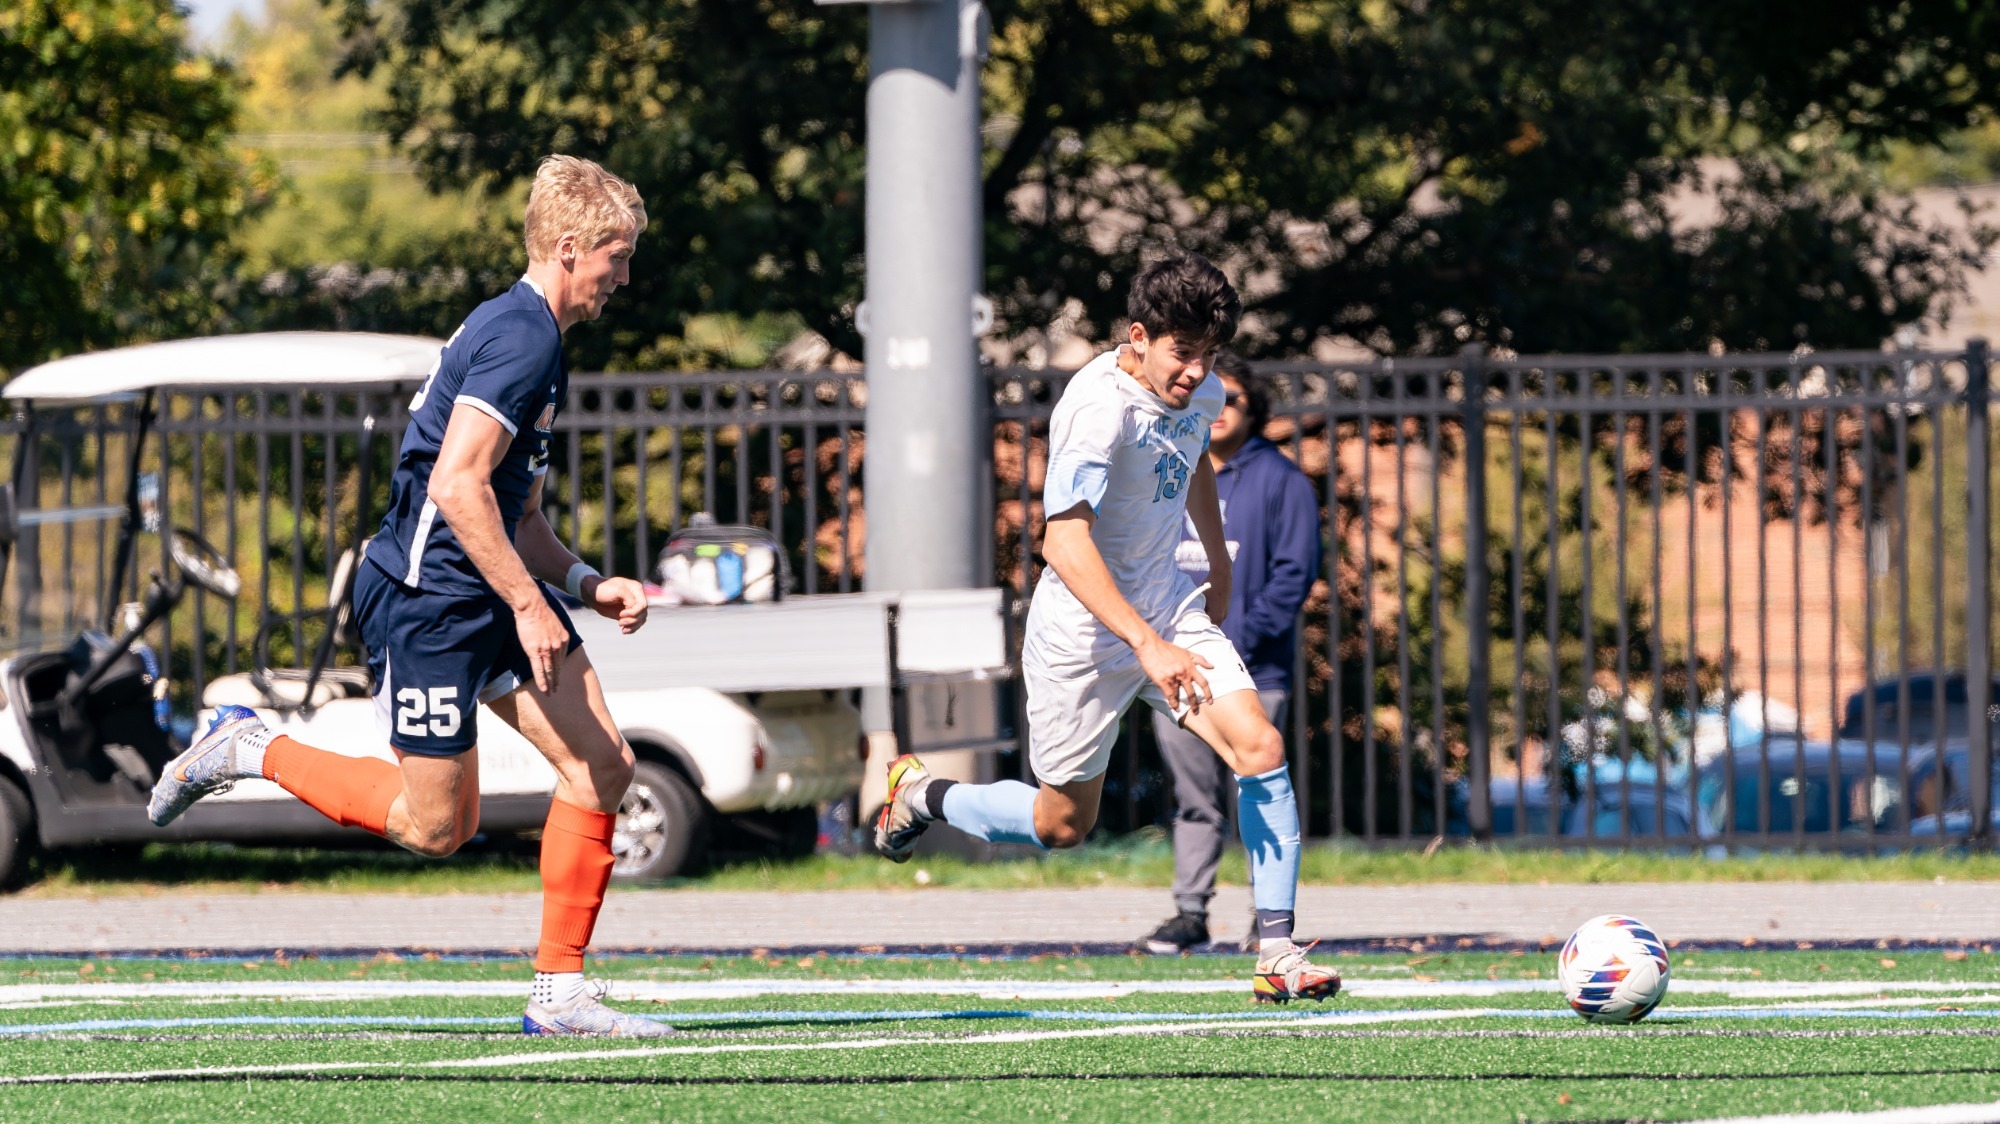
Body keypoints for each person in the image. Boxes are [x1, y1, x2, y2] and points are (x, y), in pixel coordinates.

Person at [148, 155, 668, 1037]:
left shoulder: (533, 340)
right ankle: (249, 748)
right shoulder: (522, 337)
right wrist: (534, 605)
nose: (624, 275)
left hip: (487, 590)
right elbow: (456, 490)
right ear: (570, 248)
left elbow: (517, 509)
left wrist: (580, 582)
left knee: (602, 765)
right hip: (429, 602)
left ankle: (562, 991)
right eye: (616, 256)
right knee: (438, 828)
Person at [874, 252, 1339, 1004]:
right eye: (1182, 354)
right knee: (1062, 825)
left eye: (1209, 356)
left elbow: (1192, 464)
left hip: (1166, 603)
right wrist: (1145, 646)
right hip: (1082, 632)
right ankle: (923, 796)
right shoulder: (1096, 408)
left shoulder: (1203, 388)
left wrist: (1215, 561)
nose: (1196, 374)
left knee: (1259, 745)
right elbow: (1063, 542)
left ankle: (1277, 952)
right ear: (1138, 337)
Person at [1136, 352, 1320, 955]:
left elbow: (1293, 576)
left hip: (1253, 672)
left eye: (1233, 399)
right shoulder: (1168, 469)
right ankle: (1190, 912)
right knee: (1194, 802)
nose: (1220, 411)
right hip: (1177, 673)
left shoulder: (1283, 480)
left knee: (1259, 786)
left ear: (1251, 408)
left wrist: (1233, 645)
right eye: (1215, 398)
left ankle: (1264, 924)